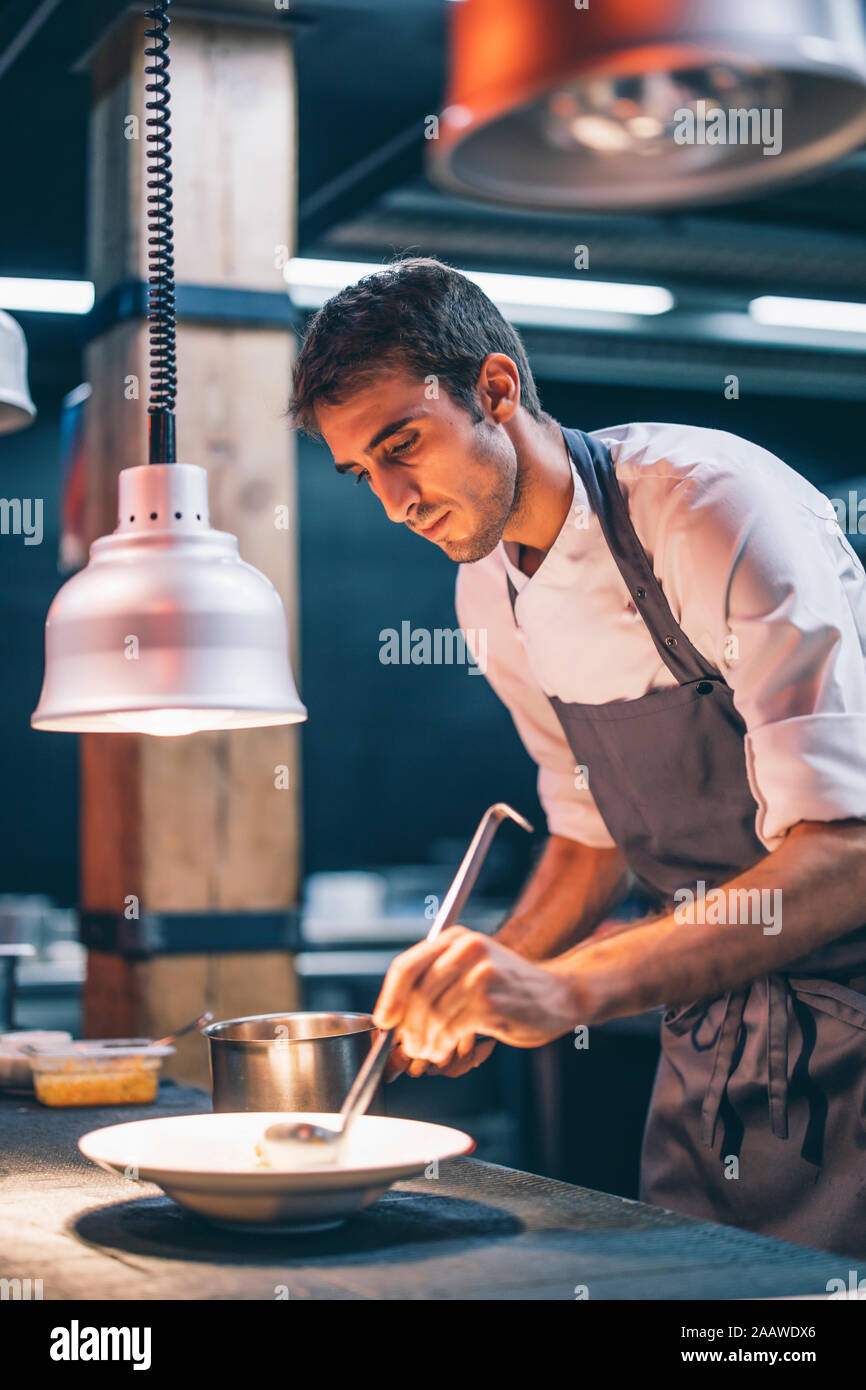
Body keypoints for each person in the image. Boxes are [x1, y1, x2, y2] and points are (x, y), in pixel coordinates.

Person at [290, 256, 866, 1255]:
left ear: (495, 390)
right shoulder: (487, 593)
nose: (393, 501)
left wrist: (567, 989)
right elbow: (589, 836)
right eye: (362, 473)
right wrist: (491, 971)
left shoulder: (708, 507)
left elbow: (844, 854)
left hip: (853, 1028)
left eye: (403, 446)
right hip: (710, 1043)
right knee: (702, 1303)